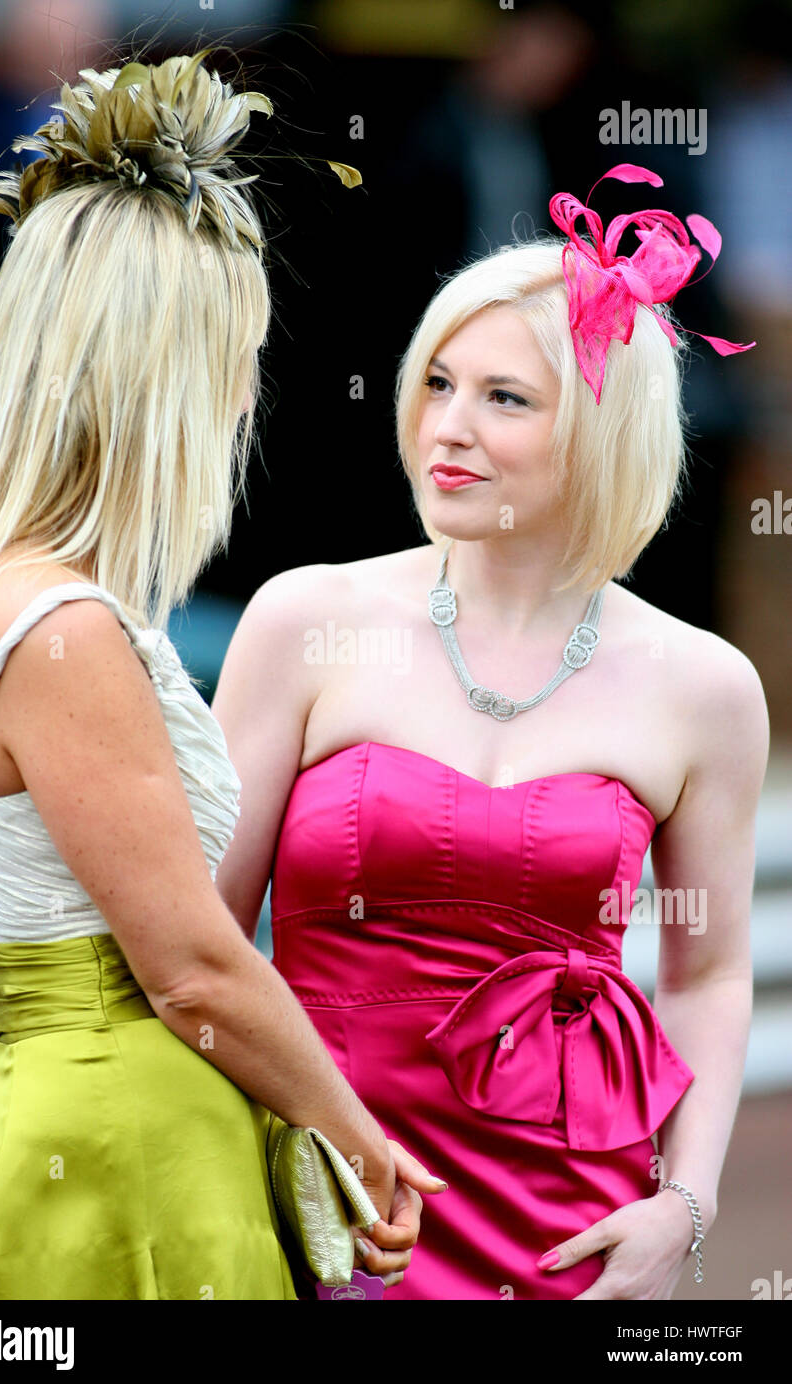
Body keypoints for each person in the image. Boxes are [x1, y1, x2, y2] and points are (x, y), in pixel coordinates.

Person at [0, 50, 445, 1301]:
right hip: (127, 1150)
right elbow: (193, 968)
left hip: (38, 1115)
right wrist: (359, 1139)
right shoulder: (60, 626)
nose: (244, 395)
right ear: (163, 374)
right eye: (231, 355)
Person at [211, 165, 769, 1299]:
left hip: (565, 1229)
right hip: (325, 1204)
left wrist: (682, 1210)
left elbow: (707, 973)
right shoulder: (305, 619)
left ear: (600, 428)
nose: (444, 431)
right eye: (436, 385)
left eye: (504, 399)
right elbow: (200, 936)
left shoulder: (704, 685)